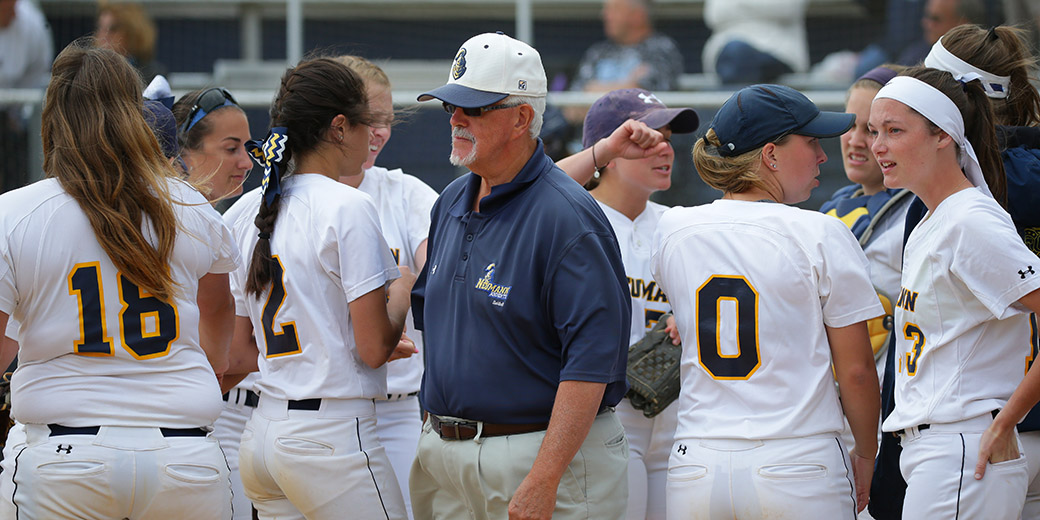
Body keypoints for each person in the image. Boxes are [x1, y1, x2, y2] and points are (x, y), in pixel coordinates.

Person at [0, 40, 238, 518]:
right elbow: (217, 320)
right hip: (185, 458)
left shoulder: (16, 212)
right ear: (136, 115)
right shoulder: (192, 205)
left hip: (64, 458)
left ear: (54, 117)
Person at [410, 32, 632, 520]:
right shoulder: (449, 202)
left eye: (474, 108)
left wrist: (544, 477)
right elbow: (435, 326)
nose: (456, 118)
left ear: (522, 117)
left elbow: (590, 365)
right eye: (451, 105)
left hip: (537, 459)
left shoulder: (568, 217)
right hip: (447, 459)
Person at [651, 84, 883, 518]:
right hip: (798, 460)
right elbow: (855, 371)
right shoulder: (821, 232)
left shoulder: (673, 227)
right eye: (811, 142)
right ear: (770, 155)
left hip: (696, 464)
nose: (822, 156)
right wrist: (867, 453)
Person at [222, 56, 412, 520]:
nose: (373, 135)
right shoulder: (350, 205)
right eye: (367, 121)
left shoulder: (246, 210)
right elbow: (372, 349)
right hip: (331, 436)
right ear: (340, 127)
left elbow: (241, 351)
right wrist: (404, 285)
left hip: (262, 432)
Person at [869, 26, 1040, 519]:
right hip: (933, 445)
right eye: (875, 130)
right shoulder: (934, 215)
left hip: (967, 442)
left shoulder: (970, 218)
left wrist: (1007, 420)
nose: (878, 145)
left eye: (894, 131)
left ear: (944, 134)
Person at [557, 88, 697, 520]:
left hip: (676, 413)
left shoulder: (678, 224)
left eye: (668, 136)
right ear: (609, 153)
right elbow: (526, 193)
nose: (664, 148)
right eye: (647, 137)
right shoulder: (571, 216)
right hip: (606, 416)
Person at [334, 54, 439, 520]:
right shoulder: (286, 197)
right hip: (321, 404)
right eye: (369, 120)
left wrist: (411, 287)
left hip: (396, 407)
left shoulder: (403, 190)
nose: (379, 132)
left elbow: (439, 266)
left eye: (388, 121)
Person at [172, 86, 256, 520]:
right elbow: (224, 348)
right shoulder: (196, 220)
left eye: (248, 146)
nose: (246, 161)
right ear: (184, 151)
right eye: (230, 148)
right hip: (192, 418)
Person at [821, 65, 912, 385]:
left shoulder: (923, 211)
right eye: (850, 126)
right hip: (832, 404)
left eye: (871, 130)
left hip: (897, 401)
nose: (856, 141)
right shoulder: (832, 206)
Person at [570, 0, 683, 93]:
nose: (604, 15)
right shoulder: (597, 52)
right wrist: (629, 86)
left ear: (637, 15)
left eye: (614, 9)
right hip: (591, 121)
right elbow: (572, 108)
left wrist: (594, 91)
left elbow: (649, 100)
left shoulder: (661, 48)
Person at [0, 0, 53, 194]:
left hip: (12, 115)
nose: (14, 13)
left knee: (16, 173)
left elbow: (38, 73)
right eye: (7, 6)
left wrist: (18, 113)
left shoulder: (31, 22)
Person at [172, 87, 253, 201]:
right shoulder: (177, 216)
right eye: (231, 149)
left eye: (247, 148)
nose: (248, 164)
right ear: (184, 154)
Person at [702, 0, 809, 84]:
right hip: (724, 57)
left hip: (778, 54)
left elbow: (788, 7)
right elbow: (715, 14)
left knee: (738, 52)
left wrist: (736, 5)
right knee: (734, 51)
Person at [95, 0, 166, 82]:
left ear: (132, 32)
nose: (104, 35)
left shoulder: (154, 76)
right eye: (100, 28)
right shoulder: (89, 71)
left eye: (113, 29)